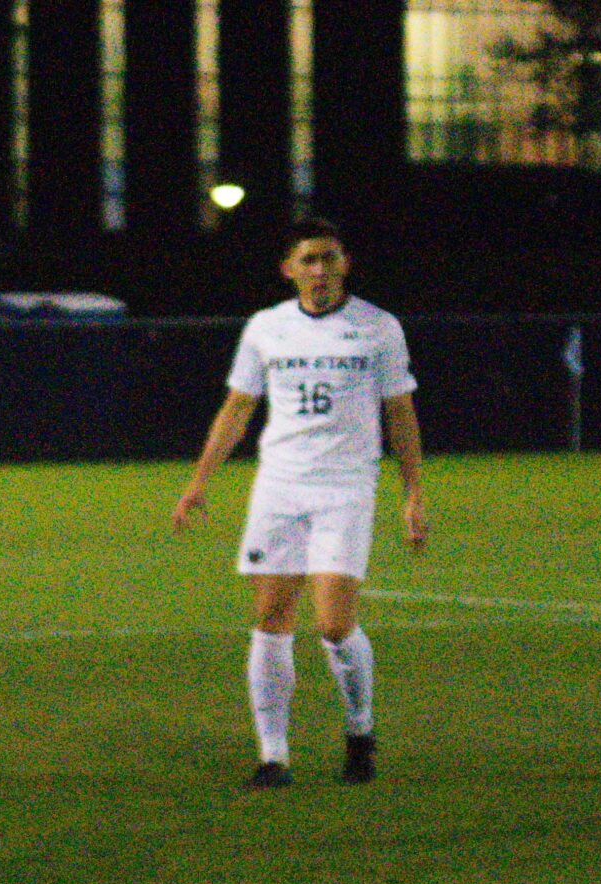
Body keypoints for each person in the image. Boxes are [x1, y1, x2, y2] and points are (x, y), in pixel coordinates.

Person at [173, 216, 427, 787]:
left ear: (345, 266)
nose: (320, 269)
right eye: (308, 260)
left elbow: (400, 411)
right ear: (289, 270)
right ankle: (274, 757)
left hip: (346, 487)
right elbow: (238, 407)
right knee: (270, 617)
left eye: (329, 258)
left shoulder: (378, 328)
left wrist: (412, 493)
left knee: (334, 624)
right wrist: (198, 483)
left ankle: (359, 729)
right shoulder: (266, 328)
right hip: (280, 485)